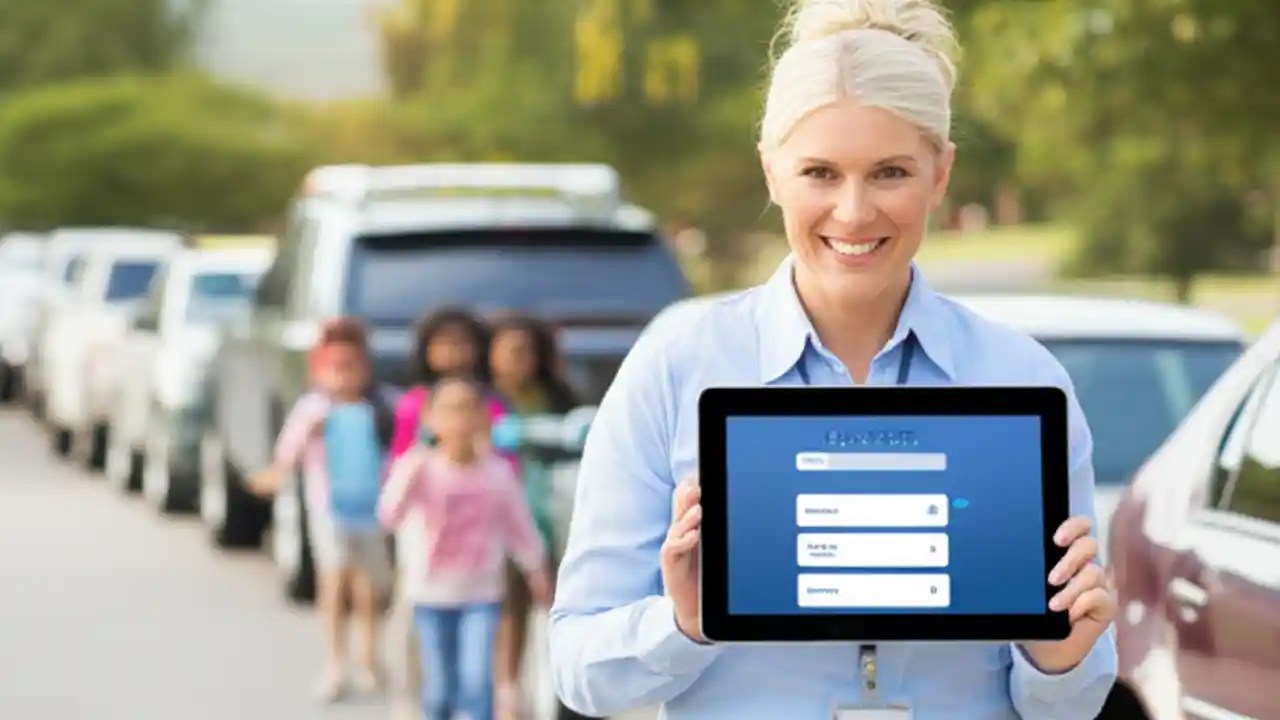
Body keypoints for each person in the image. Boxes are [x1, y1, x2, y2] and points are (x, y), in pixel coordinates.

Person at [547, 0, 1118, 718]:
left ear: (940, 175)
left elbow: (1069, 702)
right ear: (771, 172)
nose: (853, 213)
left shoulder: (1022, 380)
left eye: (890, 173)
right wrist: (685, 623)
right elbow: (578, 667)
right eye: (820, 172)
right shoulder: (677, 363)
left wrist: (1058, 661)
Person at [379, 374, 554, 720]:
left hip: (481, 594)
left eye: (468, 408)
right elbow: (389, 515)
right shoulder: (420, 467)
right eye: (449, 409)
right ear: (430, 418)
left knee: (477, 682)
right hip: (430, 594)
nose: (459, 418)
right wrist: (408, 469)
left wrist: (536, 570)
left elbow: (519, 526)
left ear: (483, 417)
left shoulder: (497, 472)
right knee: (439, 687)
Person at [251, 317, 396, 702]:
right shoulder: (315, 409)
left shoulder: (379, 407)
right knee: (333, 583)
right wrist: (277, 473)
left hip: (375, 510)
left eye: (353, 366)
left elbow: (394, 455)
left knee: (372, 587)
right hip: (330, 510)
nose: (345, 376)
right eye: (336, 367)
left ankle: (369, 654)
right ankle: (335, 662)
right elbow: (288, 453)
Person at [486, 313, 598, 720]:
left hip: (548, 519)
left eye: (526, 350)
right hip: (489, 526)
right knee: (503, 611)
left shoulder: (557, 398)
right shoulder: (480, 399)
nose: (520, 358)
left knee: (545, 608)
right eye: (510, 349)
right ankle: (506, 694)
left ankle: (549, 696)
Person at [390, 306, 501, 462]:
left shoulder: (490, 402)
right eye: (442, 343)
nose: (452, 350)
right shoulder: (413, 403)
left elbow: (503, 454)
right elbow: (401, 454)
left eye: (462, 341)